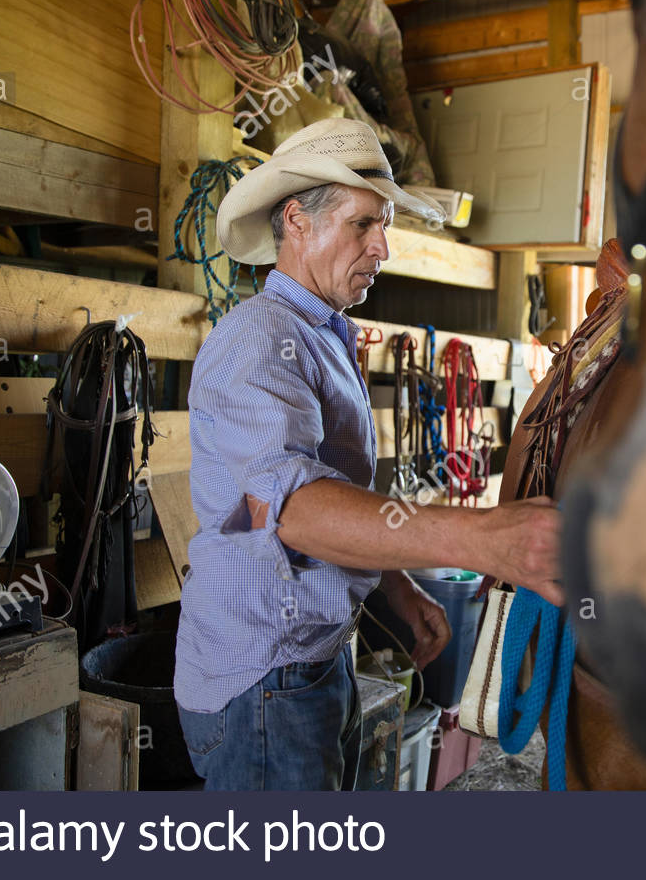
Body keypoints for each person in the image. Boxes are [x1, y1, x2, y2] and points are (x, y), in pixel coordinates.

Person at [173, 119, 563, 790]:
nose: (383, 246)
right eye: (362, 224)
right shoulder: (261, 339)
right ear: (296, 221)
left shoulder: (323, 333)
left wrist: (396, 585)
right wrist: (483, 541)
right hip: (265, 680)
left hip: (312, 661)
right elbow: (291, 510)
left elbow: (329, 487)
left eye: (384, 225)